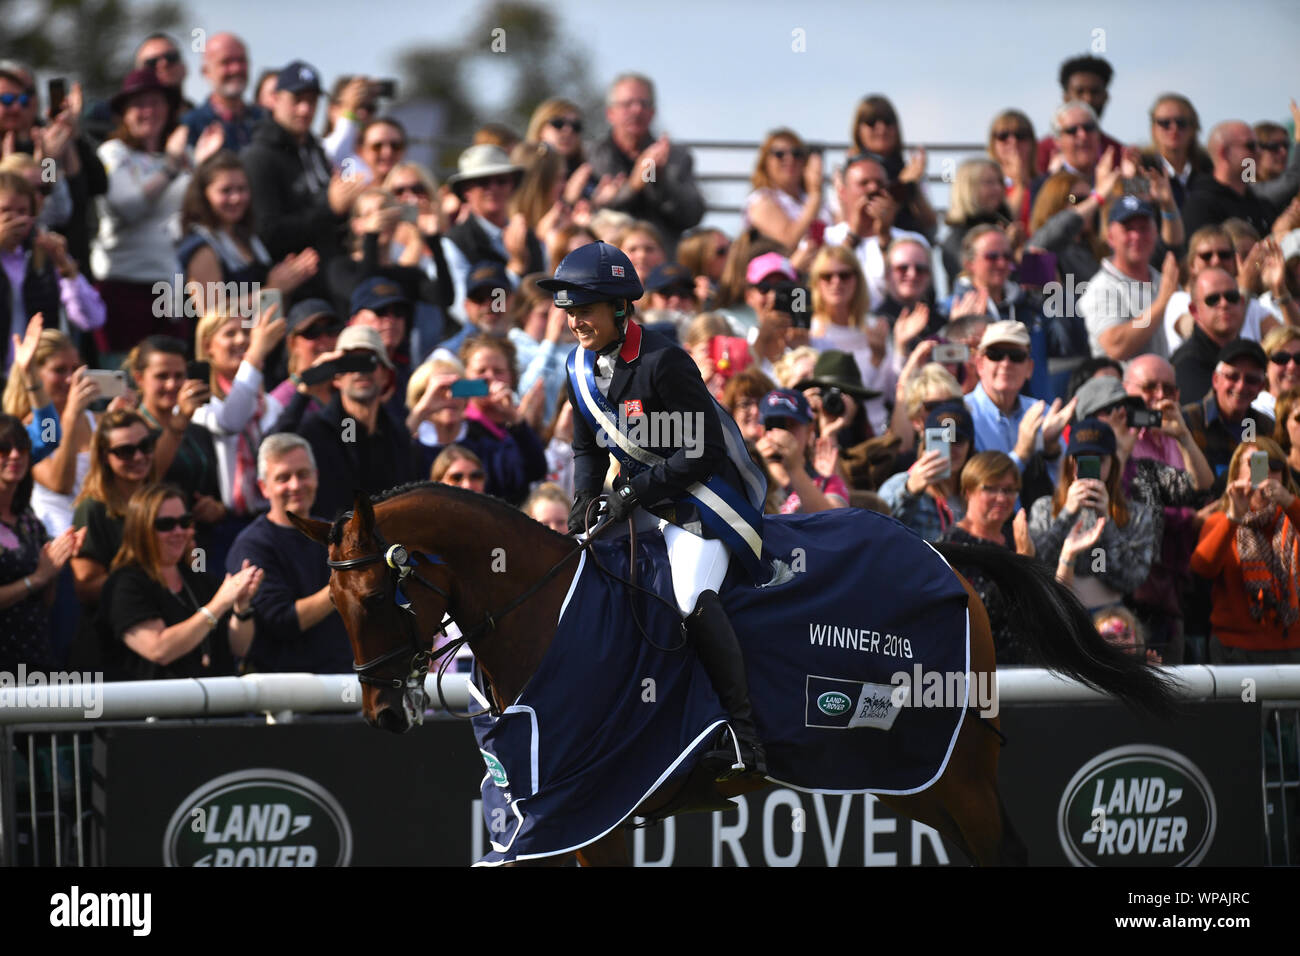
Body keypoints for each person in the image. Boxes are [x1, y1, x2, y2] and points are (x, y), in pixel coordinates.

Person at [541, 239, 775, 779]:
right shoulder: (578, 368)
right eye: (570, 311)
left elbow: (701, 450)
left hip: (699, 501)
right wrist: (582, 497)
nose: (575, 322)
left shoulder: (665, 360)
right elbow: (585, 446)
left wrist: (628, 494)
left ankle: (743, 733)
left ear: (620, 308)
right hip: (642, 497)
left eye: (585, 309)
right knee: (579, 576)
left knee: (691, 599)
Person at [90, 68, 223, 357]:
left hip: (169, 288)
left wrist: (202, 165)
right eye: (138, 104)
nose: (148, 111)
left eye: (156, 103)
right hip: (122, 287)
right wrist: (172, 168)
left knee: (172, 376)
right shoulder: (114, 153)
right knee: (123, 379)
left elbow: (197, 215)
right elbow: (128, 207)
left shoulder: (176, 156)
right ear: (124, 113)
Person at [104, 482, 261, 680]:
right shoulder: (124, 585)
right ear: (141, 530)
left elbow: (239, 647)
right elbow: (159, 650)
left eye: (185, 522)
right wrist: (219, 604)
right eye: (166, 525)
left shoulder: (197, 577)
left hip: (217, 703)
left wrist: (242, 607)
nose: (178, 531)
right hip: (156, 705)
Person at [225, 433, 351, 673]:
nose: (295, 485)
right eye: (283, 478)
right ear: (263, 487)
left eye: (303, 474)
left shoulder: (337, 535)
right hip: (286, 692)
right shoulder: (252, 546)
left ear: (316, 477)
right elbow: (282, 621)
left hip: (346, 683)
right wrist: (344, 583)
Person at [240, 60, 361, 278]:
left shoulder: (314, 149)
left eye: (312, 101)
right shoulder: (258, 157)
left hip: (331, 267)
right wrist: (330, 208)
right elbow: (266, 234)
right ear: (276, 99)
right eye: (297, 99)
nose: (305, 109)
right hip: (290, 282)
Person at [1029, 418, 1157, 613]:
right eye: (1082, 460)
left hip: (1109, 617)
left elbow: (1130, 579)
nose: (1089, 468)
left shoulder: (1136, 515)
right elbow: (1037, 567)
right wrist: (1066, 515)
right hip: (1057, 614)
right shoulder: (1045, 508)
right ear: (1070, 463)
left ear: (1112, 464)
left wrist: (1105, 521)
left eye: (1098, 460)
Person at [1190, 437, 1300, 663]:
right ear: (1236, 476)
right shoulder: (1220, 521)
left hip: (1293, 648)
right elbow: (1202, 568)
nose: (1266, 474)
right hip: (1237, 651)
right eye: (1256, 465)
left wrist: (1289, 502)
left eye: (1275, 467)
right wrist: (1234, 517)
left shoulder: (1294, 518)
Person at [294, 324, 413, 520]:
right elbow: (272, 452)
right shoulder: (315, 431)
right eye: (351, 363)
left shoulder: (397, 434)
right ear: (336, 377)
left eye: (369, 362)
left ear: (385, 375)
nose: (361, 372)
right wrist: (305, 387)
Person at [1, 329, 114, 536]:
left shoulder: (97, 420)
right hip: (59, 537)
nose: (71, 379)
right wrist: (70, 415)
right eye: (60, 370)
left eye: (76, 368)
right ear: (35, 374)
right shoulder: (23, 432)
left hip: (103, 533)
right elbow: (60, 483)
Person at [178, 151, 319, 308]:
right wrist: (273, 289)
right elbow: (211, 312)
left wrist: (289, 278)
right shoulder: (201, 247)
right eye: (226, 190)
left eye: (242, 189)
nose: (236, 198)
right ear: (204, 195)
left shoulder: (247, 237)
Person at [0, 413, 84, 674]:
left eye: (22, 448)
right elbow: (37, 580)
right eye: (4, 449)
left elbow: (45, 601)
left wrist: (56, 562)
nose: (15, 455)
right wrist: (35, 579)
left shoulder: (28, 521)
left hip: (34, 658)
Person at [189, 305, 287, 523]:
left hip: (268, 514)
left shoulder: (268, 403)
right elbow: (232, 420)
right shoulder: (199, 402)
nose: (241, 340)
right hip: (220, 521)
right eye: (230, 333)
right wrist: (255, 356)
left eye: (246, 332)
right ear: (207, 346)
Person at [587, 73, 705, 252]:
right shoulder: (591, 155)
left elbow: (692, 215)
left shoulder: (676, 156)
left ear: (653, 112)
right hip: (605, 257)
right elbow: (586, 211)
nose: (637, 110)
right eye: (628, 104)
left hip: (660, 259)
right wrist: (634, 184)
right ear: (610, 113)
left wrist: (660, 179)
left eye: (644, 104)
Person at [0, 171, 105, 370]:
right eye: (5, 211)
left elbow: (92, 319)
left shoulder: (43, 253)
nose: (15, 219)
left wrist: (66, 268)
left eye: (22, 211)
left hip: (37, 377)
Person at [938, 450, 1035, 664]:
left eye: (1009, 490)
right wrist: (1020, 565)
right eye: (990, 488)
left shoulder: (1016, 537)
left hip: (1025, 664)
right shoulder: (951, 544)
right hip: (981, 668)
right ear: (968, 491)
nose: (1001, 498)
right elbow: (977, 611)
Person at [124, 335, 224, 526]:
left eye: (179, 376)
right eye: (162, 376)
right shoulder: (127, 431)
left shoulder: (198, 432)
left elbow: (216, 494)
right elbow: (148, 478)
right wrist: (180, 421)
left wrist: (216, 509)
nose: (171, 385)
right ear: (139, 378)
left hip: (200, 540)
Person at [947, 225, 1053, 399]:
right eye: (992, 257)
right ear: (969, 263)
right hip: (981, 415)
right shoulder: (951, 308)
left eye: (1007, 256)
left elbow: (1069, 344)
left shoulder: (1029, 305)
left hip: (1033, 408)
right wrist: (955, 333)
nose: (1002, 263)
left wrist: (1053, 290)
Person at [441, 143, 543, 320]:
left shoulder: (530, 237)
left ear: (511, 185)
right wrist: (515, 269)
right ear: (466, 190)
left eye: (501, 180)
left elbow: (544, 299)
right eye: (483, 182)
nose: (493, 188)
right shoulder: (454, 243)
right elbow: (466, 313)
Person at [70, 409, 157, 606]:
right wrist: (148, 570)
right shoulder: (92, 509)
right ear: (103, 457)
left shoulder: (167, 499)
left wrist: (194, 563)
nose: (138, 456)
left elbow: (199, 557)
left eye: (146, 446)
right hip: (120, 622)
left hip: (172, 617)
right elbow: (85, 588)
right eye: (125, 451)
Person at [1078, 196, 1181, 362]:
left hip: (1168, 384)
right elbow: (1115, 346)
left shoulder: (1164, 280)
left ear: (1155, 232)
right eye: (1128, 229)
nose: (1137, 236)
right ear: (1111, 237)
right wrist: (1162, 302)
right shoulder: (1101, 287)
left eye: (1143, 228)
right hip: (1123, 386)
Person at [824, 152, 928, 311]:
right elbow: (826, 281)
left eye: (879, 183)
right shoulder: (828, 238)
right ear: (843, 192)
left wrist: (885, 237)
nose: (873, 188)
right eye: (863, 183)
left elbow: (911, 293)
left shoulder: (912, 241)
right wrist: (854, 234)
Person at [456, 334, 548, 505]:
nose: (490, 377)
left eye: (498, 371)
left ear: (511, 378)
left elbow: (537, 471)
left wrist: (515, 419)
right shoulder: (459, 428)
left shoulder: (516, 428)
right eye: (481, 371)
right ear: (465, 377)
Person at [1162, 225, 1281, 354]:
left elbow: (1287, 341)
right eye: (1206, 256)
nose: (1216, 261)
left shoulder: (1253, 305)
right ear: (1191, 265)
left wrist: (1281, 290)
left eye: (1224, 255)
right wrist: (1244, 288)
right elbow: (1193, 329)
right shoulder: (1179, 300)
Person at [1183, 107, 1300, 237]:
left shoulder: (1260, 204)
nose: (1259, 152)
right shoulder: (1201, 205)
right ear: (1224, 153)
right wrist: (1277, 234)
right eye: (1251, 146)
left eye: (1286, 146)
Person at [1182, 340, 1275, 491]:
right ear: (1215, 379)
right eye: (1233, 376)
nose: (1241, 386)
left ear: (1261, 387)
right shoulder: (1188, 421)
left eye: (1251, 380)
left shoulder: (1266, 428)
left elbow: (1261, 485)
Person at [878, 402, 973, 541]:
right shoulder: (899, 485)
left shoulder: (980, 488)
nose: (950, 448)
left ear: (970, 446)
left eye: (957, 440)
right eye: (942, 439)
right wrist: (910, 492)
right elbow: (879, 531)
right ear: (925, 444)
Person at [848, 95, 937, 240]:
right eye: (871, 122)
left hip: (906, 248)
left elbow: (931, 226)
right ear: (858, 129)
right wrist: (902, 184)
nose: (881, 128)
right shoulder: (850, 170)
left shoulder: (910, 169)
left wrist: (912, 186)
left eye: (888, 122)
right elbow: (867, 217)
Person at [755, 388, 849, 515]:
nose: (782, 433)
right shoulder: (749, 478)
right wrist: (754, 464)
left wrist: (794, 469)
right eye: (773, 424)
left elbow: (835, 523)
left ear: (810, 430)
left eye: (791, 425)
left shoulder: (826, 483)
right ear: (760, 431)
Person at [1035, 56, 1124, 175]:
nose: (1088, 99)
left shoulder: (1119, 154)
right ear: (1065, 97)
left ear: (1106, 96)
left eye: (1095, 91)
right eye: (1080, 92)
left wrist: (1133, 180)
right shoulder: (1040, 153)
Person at [178, 32, 266, 153]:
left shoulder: (265, 120)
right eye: (226, 62)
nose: (236, 68)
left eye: (241, 60)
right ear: (206, 71)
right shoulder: (191, 126)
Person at [1171, 269, 1250, 400]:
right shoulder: (1186, 362)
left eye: (1231, 297)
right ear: (1194, 310)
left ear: (1242, 303)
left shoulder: (1251, 355)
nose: (1224, 304)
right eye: (1212, 300)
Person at [743, 128, 826, 252]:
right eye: (779, 154)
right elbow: (788, 242)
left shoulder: (810, 199)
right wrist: (815, 195)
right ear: (765, 162)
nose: (790, 159)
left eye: (796, 153)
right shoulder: (761, 201)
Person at [941, 158, 1013, 286]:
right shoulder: (957, 239)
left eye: (1000, 182)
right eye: (989, 183)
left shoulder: (1007, 225)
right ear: (968, 188)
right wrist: (1009, 247)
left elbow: (1034, 282)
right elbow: (971, 280)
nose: (998, 189)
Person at [267, 298, 342, 414]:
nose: (324, 339)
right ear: (292, 343)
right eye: (312, 332)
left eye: (331, 330)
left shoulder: (346, 391)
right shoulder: (278, 403)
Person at [1147, 93, 1212, 209]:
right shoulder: (1142, 166)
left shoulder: (1211, 168)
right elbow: (1130, 206)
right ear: (1153, 130)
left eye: (1181, 123)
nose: (1174, 128)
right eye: (1164, 123)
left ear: (1194, 128)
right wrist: (1130, 180)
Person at [988, 110, 1038, 231]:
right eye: (1003, 136)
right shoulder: (986, 186)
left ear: (1032, 142)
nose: (1013, 141)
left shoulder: (1046, 183)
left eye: (1021, 135)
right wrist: (1020, 184)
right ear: (993, 144)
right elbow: (1006, 224)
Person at [1257, 328, 1300, 421]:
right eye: (1281, 358)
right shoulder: (1254, 413)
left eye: (1299, 358)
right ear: (1265, 365)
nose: (1292, 366)